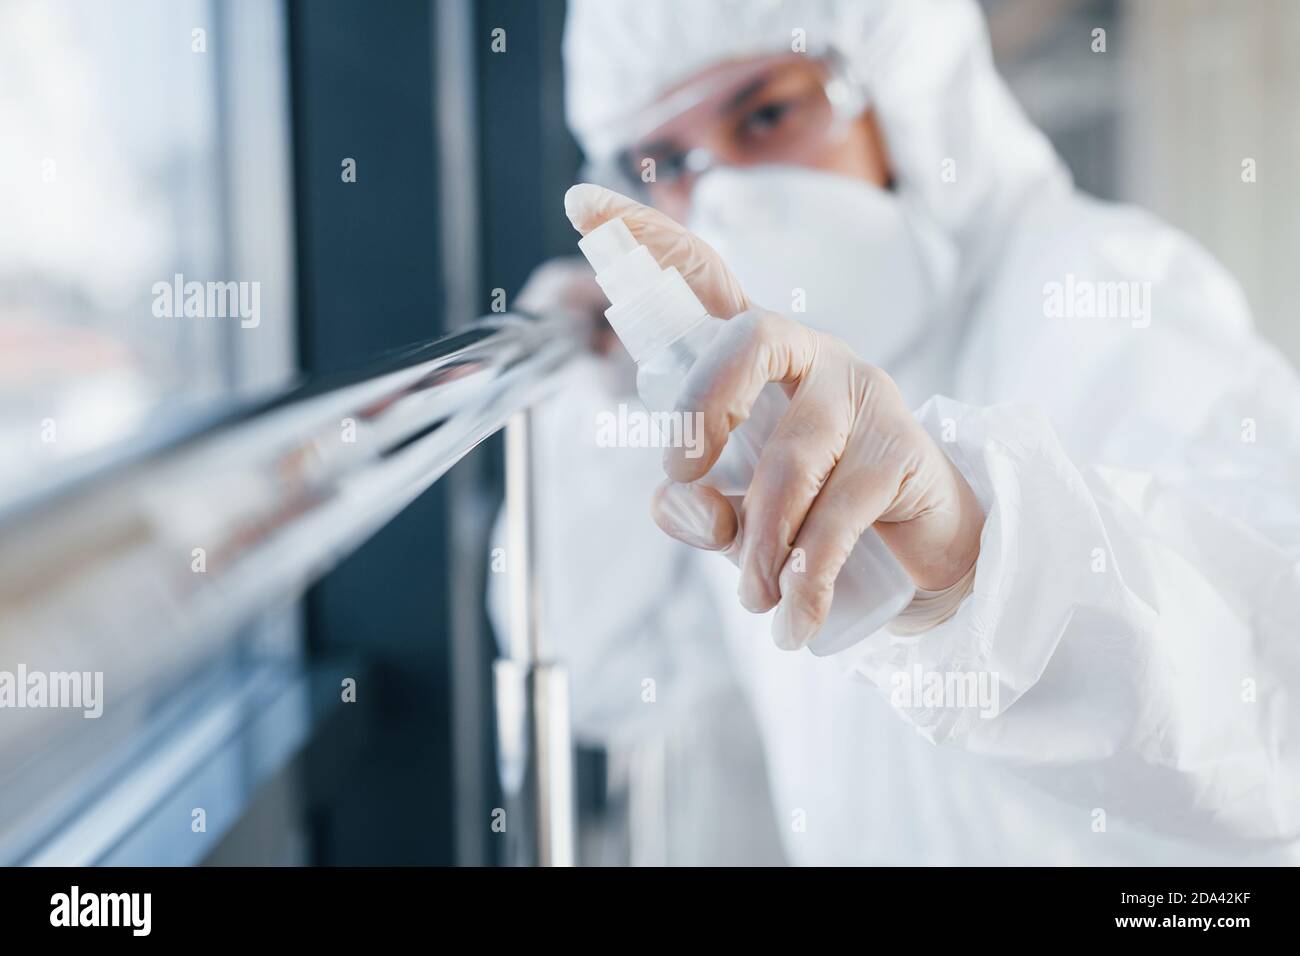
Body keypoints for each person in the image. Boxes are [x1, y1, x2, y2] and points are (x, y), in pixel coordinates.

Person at [493, 0, 1300, 864]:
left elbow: (1266, 696)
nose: (720, 195)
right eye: (666, 161)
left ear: (911, 97)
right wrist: (602, 418)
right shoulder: (757, 413)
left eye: (768, 115)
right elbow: (621, 678)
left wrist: (975, 556)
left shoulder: (1106, 293)